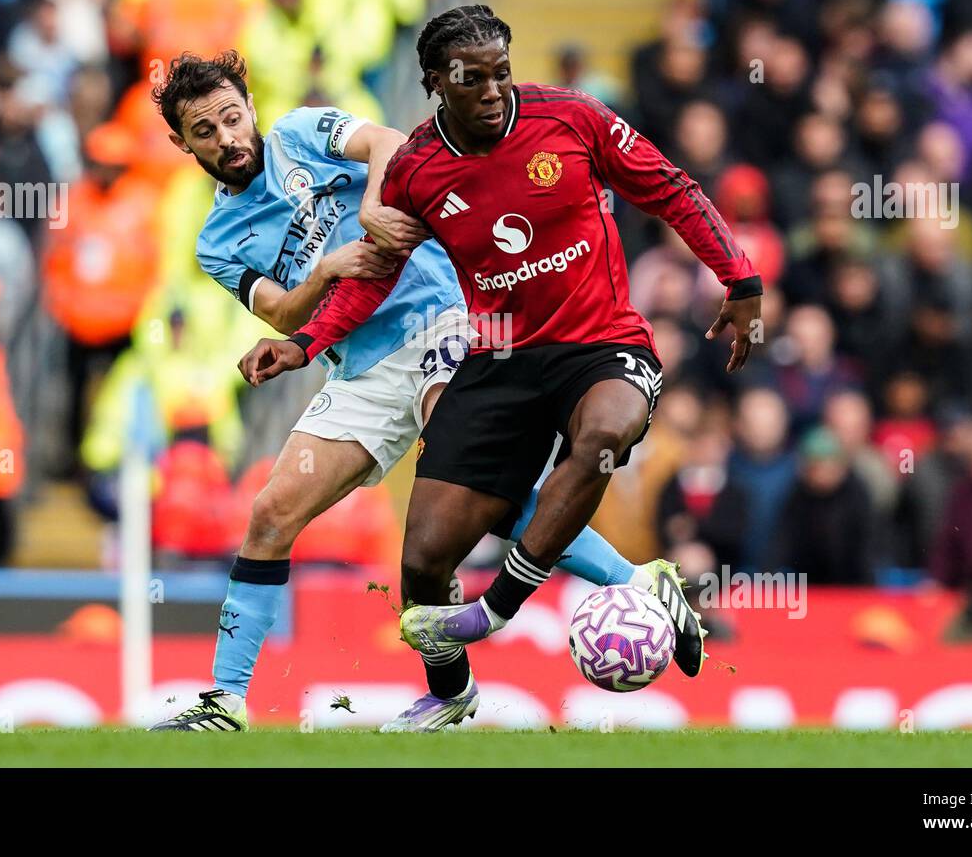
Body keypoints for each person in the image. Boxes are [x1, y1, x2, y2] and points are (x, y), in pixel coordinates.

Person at [147, 50, 702, 733]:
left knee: (475, 491)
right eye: (205, 132)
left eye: (232, 117)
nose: (227, 139)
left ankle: (631, 583)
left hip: (441, 313)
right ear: (182, 142)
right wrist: (328, 270)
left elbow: (386, 143)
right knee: (269, 515)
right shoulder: (217, 239)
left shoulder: (300, 133)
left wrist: (376, 208)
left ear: (251, 105)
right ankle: (227, 702)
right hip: (361, 366)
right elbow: (285, 315)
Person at [242, 5, 761, 683]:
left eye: (501, 75)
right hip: (501, 359)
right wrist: (306, 343)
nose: (492, 93)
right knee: (425, 558)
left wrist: (740, 277)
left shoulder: (572, 120)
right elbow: (375, 274)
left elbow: (671, 188)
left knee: (603, 433)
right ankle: (451, 695)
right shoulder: (416, 170)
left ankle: (495, 610)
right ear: (434, 82)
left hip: (601, 345)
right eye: (472, 80)